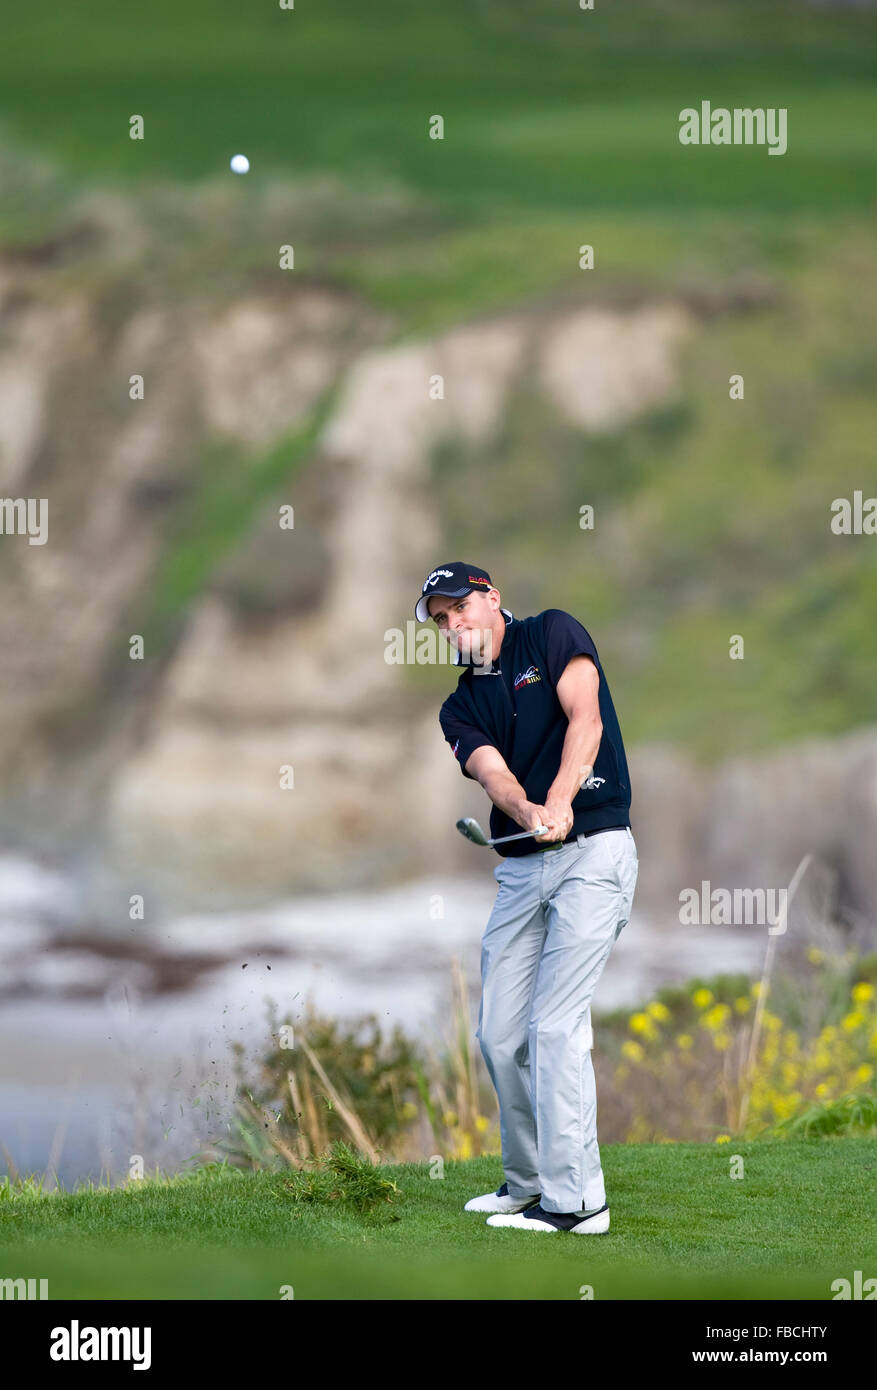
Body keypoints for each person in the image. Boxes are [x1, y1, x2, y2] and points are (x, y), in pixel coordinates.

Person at [414, 561, 638, 1234]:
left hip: (593, 853)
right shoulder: (459, 705)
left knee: (554, 1027)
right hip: (520, 867)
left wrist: (562, 802)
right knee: (498, 1032)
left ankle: (577, 1206)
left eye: (461, 609)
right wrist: (527, 807)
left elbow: (585, 721)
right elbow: (492, 775)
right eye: (441, 621)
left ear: (491, 598)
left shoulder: (551, 634)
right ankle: (528, 1182)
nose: (455, 626)